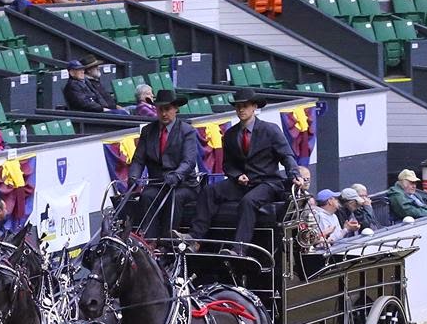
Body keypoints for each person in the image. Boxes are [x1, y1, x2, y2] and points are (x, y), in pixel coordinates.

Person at [190, 87, 302, 252]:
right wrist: (237, 176)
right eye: (238, 106)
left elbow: (287, 156)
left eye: (245, 105)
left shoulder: (270, 130)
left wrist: (294, 174)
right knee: (208, 191)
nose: (241, 109)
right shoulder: (230, 134)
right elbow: (228, 165)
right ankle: (196, 239)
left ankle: (239, 249)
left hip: (267, 182)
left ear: (254, 107)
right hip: (242, 183)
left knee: (248, 201)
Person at [127, 89, 200, 241]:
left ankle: (168, 241)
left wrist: (177, 175)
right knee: (146, 196)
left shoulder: (187, 131)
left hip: (183, 185)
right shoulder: (148, 131)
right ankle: (150, 242)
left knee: (174, 197)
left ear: (175, 109)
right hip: (157, 183)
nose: (164, 113)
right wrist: (134, 176)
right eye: (160, 109)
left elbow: (189, 161)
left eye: (167, 109)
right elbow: (138, 160)